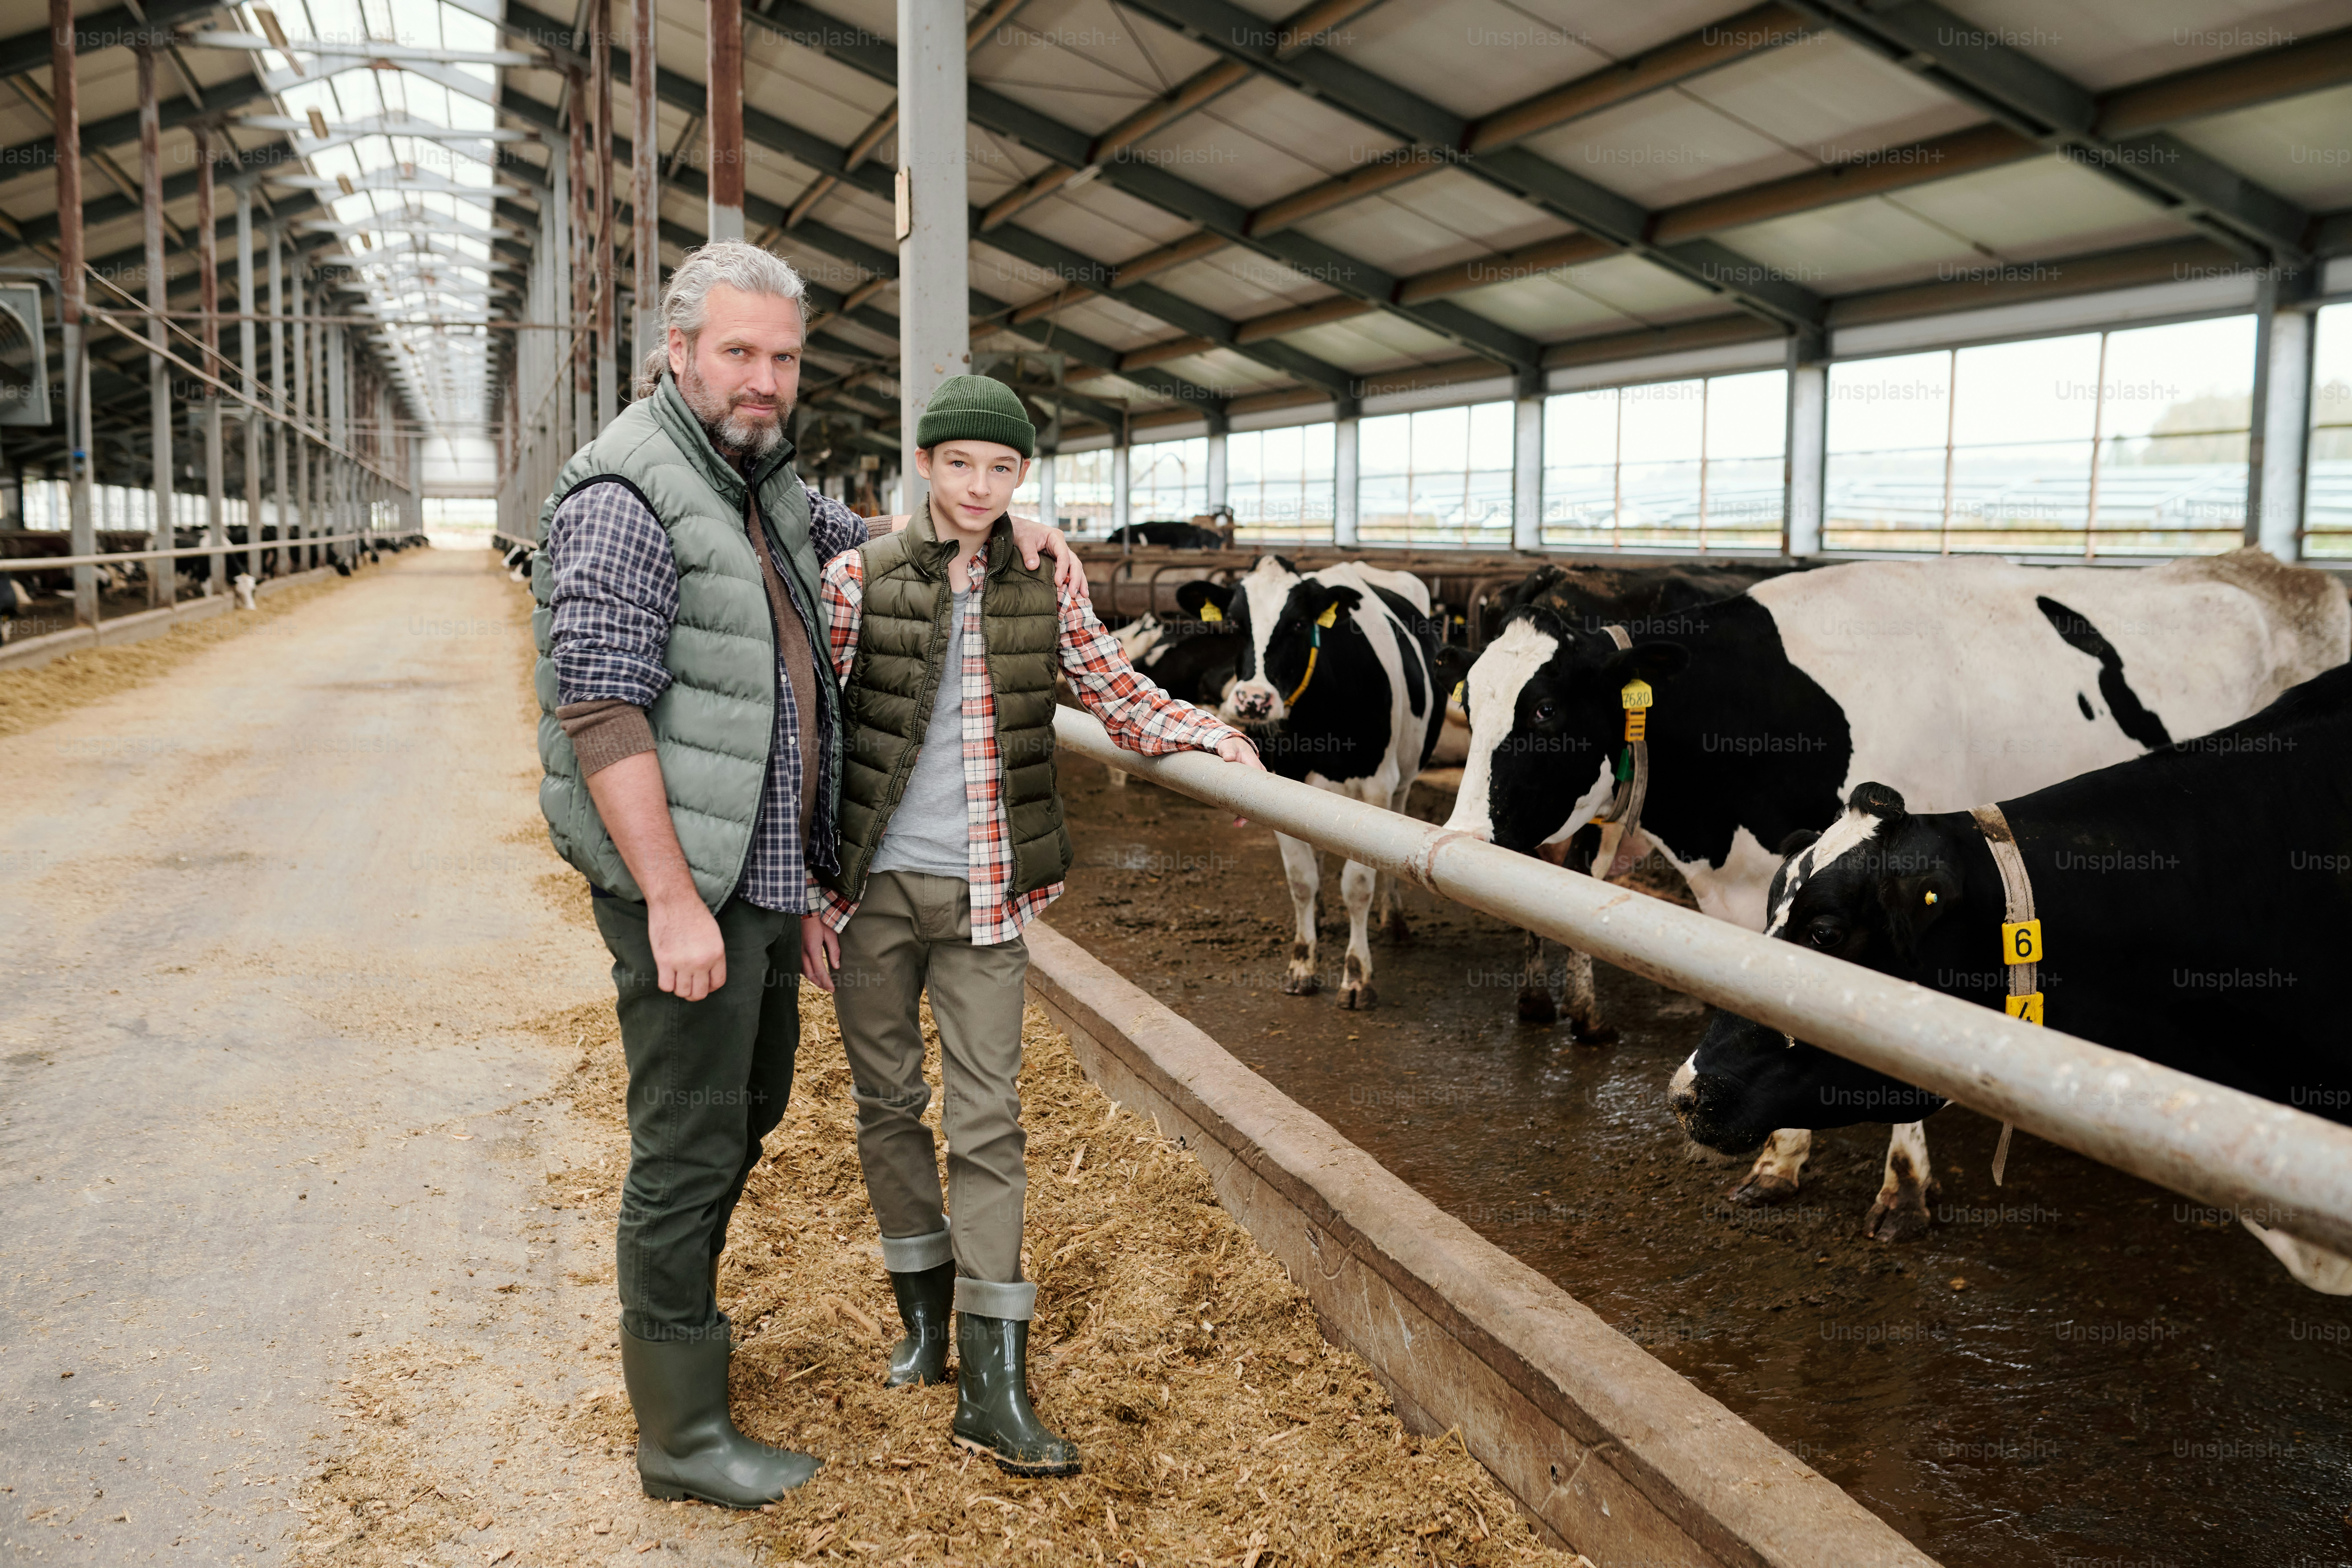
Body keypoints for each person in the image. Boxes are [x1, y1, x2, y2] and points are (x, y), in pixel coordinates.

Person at [531, 244, 1086, 1508]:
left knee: (743, 1114)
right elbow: (602, 709)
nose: (765, 379)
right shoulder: (629, 488)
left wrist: (1008, 524)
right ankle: (679, 1434)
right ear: (680, 351)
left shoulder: (760, 481)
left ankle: (692, 1353)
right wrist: (672, 900)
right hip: (697, 884)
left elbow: (892, 544)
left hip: (769, 881)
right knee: (684, 1138)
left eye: (783, 357)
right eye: (740, 352)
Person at [800, 375, 1265, 1476]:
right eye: (958, 463)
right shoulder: (854, 581)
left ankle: (994, 1379)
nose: (979, 486)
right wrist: (811, 894)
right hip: (869, 896)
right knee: (885, 1106)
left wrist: (1210, 732)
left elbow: (1114, 691)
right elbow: (811, 744)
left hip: (989, 896)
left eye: (1001, 469)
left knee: (991, 1123)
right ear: (923, 465)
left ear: (1024, 479)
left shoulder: (1047, 581)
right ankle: (921, 1320)